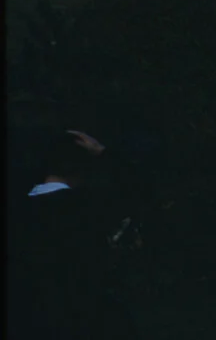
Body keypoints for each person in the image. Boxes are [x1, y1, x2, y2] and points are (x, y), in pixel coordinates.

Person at [7, 129, 143, 339]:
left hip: (25, 318)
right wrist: (104, 154)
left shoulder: (17, 209)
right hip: (82, 317)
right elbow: (136, 192)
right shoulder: (86, 208)